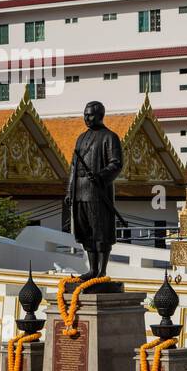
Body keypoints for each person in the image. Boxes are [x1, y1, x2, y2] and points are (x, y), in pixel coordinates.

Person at [64, 101, 124, 278]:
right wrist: (69, 191)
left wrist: (100, 176)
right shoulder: (80, 138)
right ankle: (92, 269)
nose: (86, 118)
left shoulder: (109, 137)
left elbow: (116, 163)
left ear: (100, 115)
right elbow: (73, 167)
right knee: (86, 233)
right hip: (80, 192)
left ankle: (102, 271)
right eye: (85, 115)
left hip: (97, 193)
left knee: (101, 232)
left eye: (90, 115)